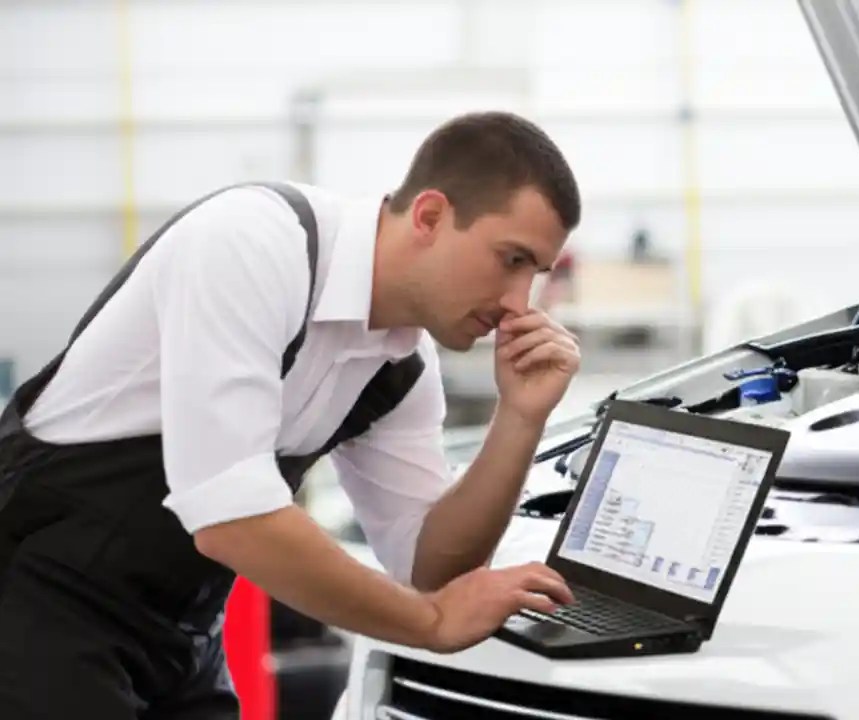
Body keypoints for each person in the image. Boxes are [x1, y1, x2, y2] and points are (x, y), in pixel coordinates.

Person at [0, 110, 582, 719]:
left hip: (178, 632)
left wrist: (520, 419)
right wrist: (429, 624)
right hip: (36, 601)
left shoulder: (400, 365)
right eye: (510, 260)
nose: (520, 302)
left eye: (535, 273)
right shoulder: (254, 242)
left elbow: (431, 567)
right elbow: (232, 516)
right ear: (430, 216)